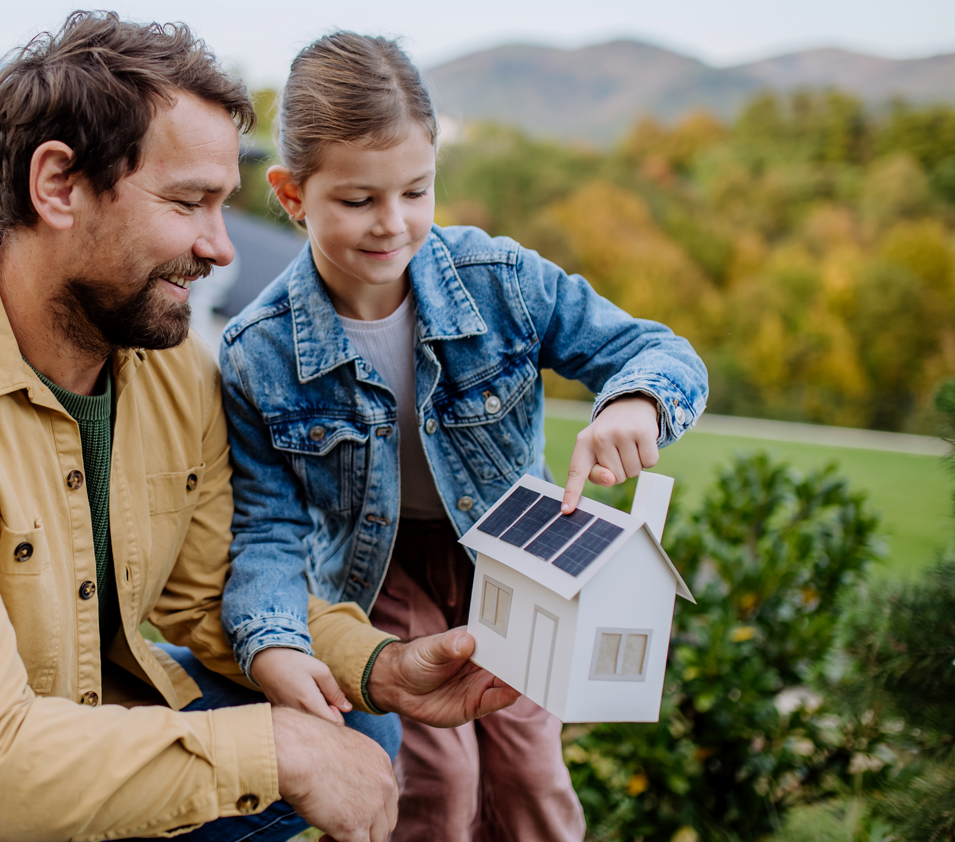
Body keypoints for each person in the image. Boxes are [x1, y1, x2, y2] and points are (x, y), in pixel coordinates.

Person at [0, 13, 519, 842]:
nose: (220, 248)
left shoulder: (170, 365)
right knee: (276, 747)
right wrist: (270, 751)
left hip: (70, 710)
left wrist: (378, 666)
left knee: (348, 721)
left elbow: (213, 595)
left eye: (221, 205)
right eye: (186, 204)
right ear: (57, 185)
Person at [218, 32, 709, 842]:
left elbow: (655, 351)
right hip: (375, 577)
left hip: (510, 555)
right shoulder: (258, 351)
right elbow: (265, 529)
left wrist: (635, 404)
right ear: (291, 192)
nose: (392, 224)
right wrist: (272, 639)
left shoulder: (501, 281)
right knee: (436, 782)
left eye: (416, 191)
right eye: (358, 200)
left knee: (530, 774)